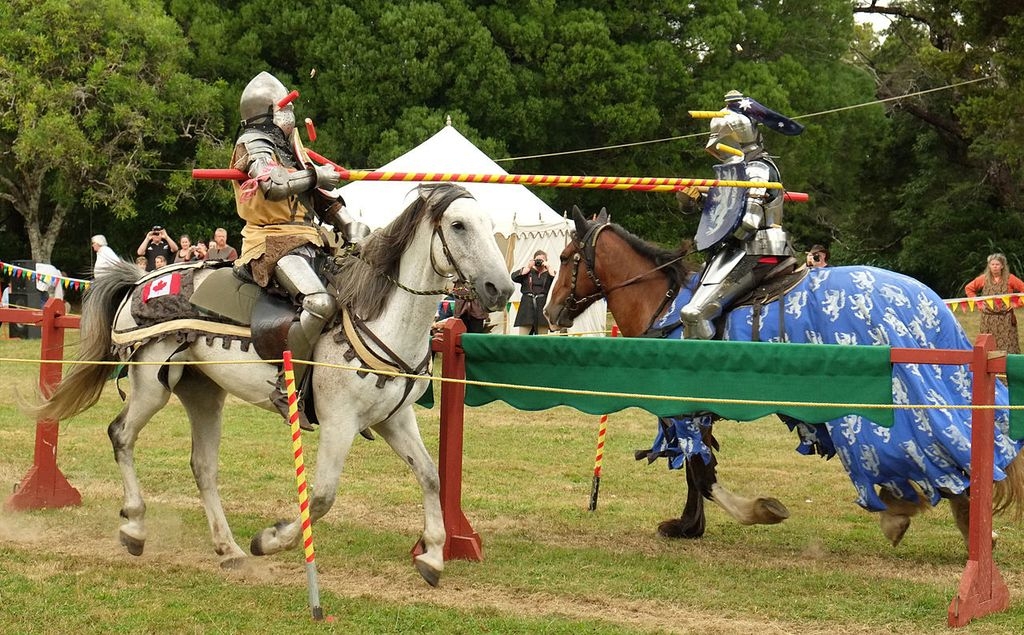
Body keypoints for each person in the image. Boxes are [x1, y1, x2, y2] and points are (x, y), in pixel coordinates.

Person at [231, 70, 369, 430]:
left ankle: (349, 393)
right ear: (267, 114)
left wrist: (349, 224)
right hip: (272, 242)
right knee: (319, 303)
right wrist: (316, 176)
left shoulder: (293, 148)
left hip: (312, 239)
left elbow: (321, 199)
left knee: (358, 298)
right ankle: (285, 387)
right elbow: (274, 186)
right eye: (284, 110)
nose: (290, 118)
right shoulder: (253, 143)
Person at [677, 90, 805, 340]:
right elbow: (725, 212)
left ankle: (719, 373)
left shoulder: (758, 171)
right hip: (735, 250)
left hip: (758, 251)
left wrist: (717, 235)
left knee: (695, 314)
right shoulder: (738, 172)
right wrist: (694, 201)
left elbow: (747, 222)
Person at [965, 253, 1024, 354]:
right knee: (988, 344)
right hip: (988, 318)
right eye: (992, 264)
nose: (995, 267)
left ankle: (1008, 365)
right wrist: (978, 303)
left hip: (1006, 318)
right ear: (989, 266)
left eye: (997, 264)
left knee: (1008, 344)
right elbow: (969, 288)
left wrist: (1017, 304)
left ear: (1002, 266)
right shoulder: (983, 279)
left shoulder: (1010, 278)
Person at [512, 250, 554, 335]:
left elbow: (557, 283)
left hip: (542, 309)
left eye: (542, 260)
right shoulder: (528, 272)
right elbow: (513, 277)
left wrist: (549, 268)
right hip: (527, 308)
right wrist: (527, 268)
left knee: (542, 341)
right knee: (523, 339)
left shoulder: (549, 274)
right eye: (537, 260)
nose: (539, 262)